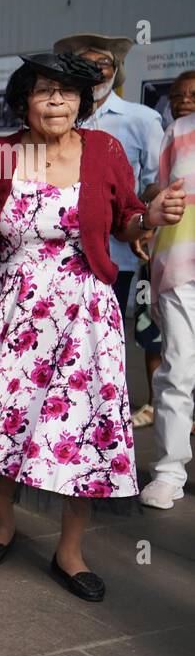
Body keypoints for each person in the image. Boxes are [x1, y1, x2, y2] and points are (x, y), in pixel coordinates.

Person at [0, 53, 186, 600]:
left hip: (83, 310)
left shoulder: (103, 151)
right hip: (11, 309)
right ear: (24, 102)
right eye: (44, 91)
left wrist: (149, 220)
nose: (57, 100)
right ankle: (1, 523)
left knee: (80, 429)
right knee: (3, 419)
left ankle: (70, 550)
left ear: (83, 103)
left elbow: (126, 215)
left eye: (68, 92)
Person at [52, 33, 164, 428]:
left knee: (101, 347)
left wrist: (139, 216)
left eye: (103, 63)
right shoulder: (56, 114)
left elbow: (154, 181)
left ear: (116, 71)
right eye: (86, 63)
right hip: (59, 258)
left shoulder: (142, 119)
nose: (95, 70)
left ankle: (96, 425)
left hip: (115, 255)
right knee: (61, 347)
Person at [140, 88, 195, 510]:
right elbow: (159, 193)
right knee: (178, 369)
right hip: (182, 263)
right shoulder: (178, 131)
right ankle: (169, 471)